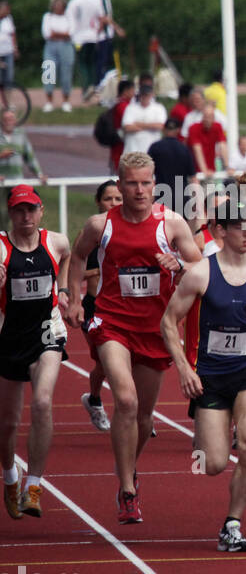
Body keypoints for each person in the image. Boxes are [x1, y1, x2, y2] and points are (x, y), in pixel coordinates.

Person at [64, 151, 203, 523]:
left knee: (143, 416)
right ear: (119, 183)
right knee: (124, 400)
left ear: (155, 183)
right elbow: (78, 257)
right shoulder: (100, 224)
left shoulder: (171, 224)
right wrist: (76, 299)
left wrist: (182, 264)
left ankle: (130, 468)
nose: (139, 190)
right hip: (112, 323)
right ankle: (127, 487)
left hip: (155, 329)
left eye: (145, 183)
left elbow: (201, 266)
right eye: (131, 183)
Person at [160, 204, 246, 553]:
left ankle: (232, 524)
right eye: (239, 226)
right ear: (221, 231)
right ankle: (204, 433)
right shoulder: (201, 274)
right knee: (214, 463)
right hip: (210, 375)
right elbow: (168, 322)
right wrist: (184, 369)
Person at [0, 185, 71, 518]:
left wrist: (66, 290)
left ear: (41, 211)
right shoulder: (1, 249)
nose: (25, 216)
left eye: (30, 210)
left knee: (42, 402)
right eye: (18, 211)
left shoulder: (55, 242)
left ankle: (34, 485)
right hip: (9, 338)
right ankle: (10, 477)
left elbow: (69, 257)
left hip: (47, 333)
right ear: (10, 214)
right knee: (8, 423)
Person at [79, 179, 121, 432]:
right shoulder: (92, 231)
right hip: (93, 307)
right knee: (106, 364)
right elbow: (73, 268)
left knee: (126, 363)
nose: (113, 204)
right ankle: (95, 400)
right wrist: (95, 273)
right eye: (108, 199)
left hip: (120, 306)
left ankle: (133, 414)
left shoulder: (127, 230)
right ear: (98, 201)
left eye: (118, 199)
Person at [1, 108, 48, 227]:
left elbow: (30, 156)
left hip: (17, 180)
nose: (9, 122)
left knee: (20, 211)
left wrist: (39, 174)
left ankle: (16, 238)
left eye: (11, 119)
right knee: (2, 213)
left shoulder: (20, 135)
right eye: (6, 119)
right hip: (1, 182)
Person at [147, 118, 195, 216]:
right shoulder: (184, 149)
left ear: (164, 129)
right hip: (181, 196)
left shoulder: (155, 147)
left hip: (161, 194)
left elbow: (147, 173)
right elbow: (193, 177)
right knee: (181, 228)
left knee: (161, 227)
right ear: (178, 130)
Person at [67, 0, 102, 107]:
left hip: (79, 38)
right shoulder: (94, 0)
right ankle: (93, 85)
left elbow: (71, 22)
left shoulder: (74, 2)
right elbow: (100, 18)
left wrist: (70, 35)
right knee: (91, 63)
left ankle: (86, 89)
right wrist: (97, 33)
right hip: (93, 36)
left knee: (82, 64)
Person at [41, 0, 75, 114]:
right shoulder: (48, 17)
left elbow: (70, 33)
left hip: (66, 47)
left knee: (66, 74)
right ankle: (49, 102)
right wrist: (61, 34)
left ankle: (66, 101)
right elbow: (47, 34)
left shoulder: (68, 17)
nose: (58, 7)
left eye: (61, 5)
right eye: (56, 5)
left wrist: (57, 34)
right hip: (51, 47)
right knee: (48, 72)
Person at [120, 82, 167, 157]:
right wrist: (150, 126)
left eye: (147, 95)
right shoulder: (131, 108)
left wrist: (138, 124)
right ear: (140, 95)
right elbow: (127, 127)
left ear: (152, 95)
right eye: (143, 94)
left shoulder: (159, 108)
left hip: (152, 150)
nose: (145, 97)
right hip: (133, 150)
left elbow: (161, 126)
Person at [93, 0, 123, 85]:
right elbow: (105, 18)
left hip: (103, 35)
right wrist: (117, 29)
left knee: (104, 61)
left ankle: (102, 82)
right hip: (103, 35)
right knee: (102, 61)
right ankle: (99, 84)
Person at [186, 101, 227, 179]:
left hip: (210, 171)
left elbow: (223, 145)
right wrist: (204, 170)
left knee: (211, 189)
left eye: (210, 116)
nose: (207, 119)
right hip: (194, 171)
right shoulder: (194, 128)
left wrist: (227, 166)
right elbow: (197, 150)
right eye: (206, 116)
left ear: (214, 117)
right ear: (202, 116)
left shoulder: (217, 127)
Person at [0, 1, 17, 111]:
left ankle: (8, 102)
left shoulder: (8, 19)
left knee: (9, 78)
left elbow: (12, 34)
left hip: (8, 52)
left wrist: (15, 48)